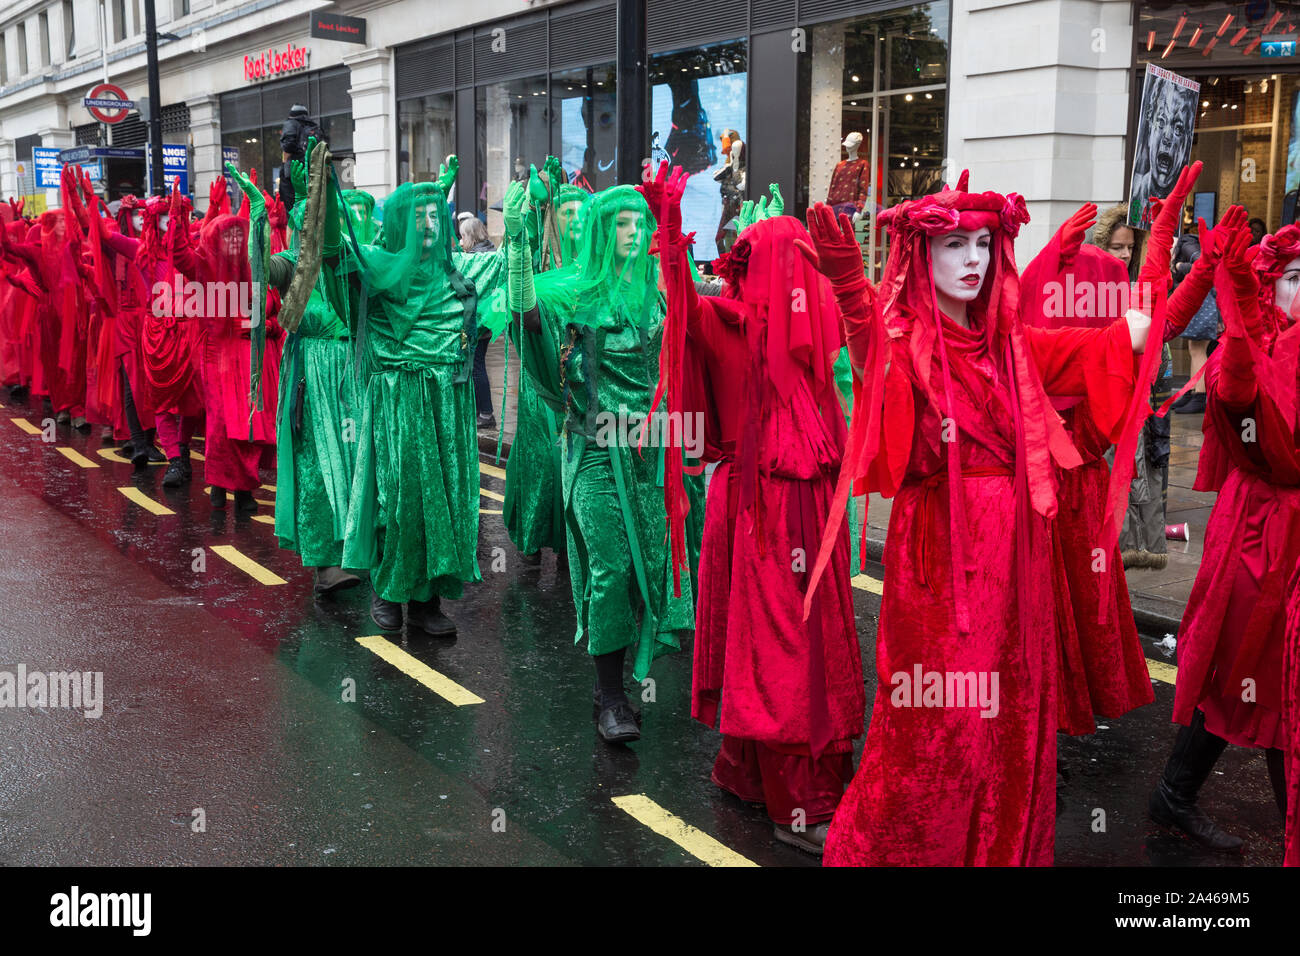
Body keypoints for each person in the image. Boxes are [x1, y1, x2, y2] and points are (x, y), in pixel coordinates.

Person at [803, 167, 1181, 866]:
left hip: (1017, 571)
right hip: (942, 576)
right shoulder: (903, 341)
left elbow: (1104, 353)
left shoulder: (1014, 343)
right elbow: (882, 394)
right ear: (921, 254)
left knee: (1011, 727)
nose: (972, 260)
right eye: (953, 246)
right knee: (940, 732)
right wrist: (854, 301)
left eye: (982, 243)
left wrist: (1153, 274)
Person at [645, 162, 863, 854]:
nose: (806, 281)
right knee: (784, 646)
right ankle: (795, 801)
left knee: (800, 640)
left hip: (803, 506)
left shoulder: (811, 341)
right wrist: (671, 235)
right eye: (794, 262)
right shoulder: (726, 320)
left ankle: (742, 771)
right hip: (757, 509)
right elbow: (682, 312)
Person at [505, 177, 701, 744]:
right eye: (622, 222)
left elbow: (702, 325)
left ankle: (620, 678)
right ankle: (610, 697)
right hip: (592, 452)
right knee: (610, 566)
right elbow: (529, 319)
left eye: (640, 222)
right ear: (599, 230)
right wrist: (518, 246)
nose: (634, 232)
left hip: (652, 458)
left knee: (652, 572)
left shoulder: (658, 293)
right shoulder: (573, 293)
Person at [1150, 218, 1300, 854]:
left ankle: (1174, 794)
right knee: (1250, 669)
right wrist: (1236, 305)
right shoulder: (1253, 351)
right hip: (1260, 534)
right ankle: (1177, 795)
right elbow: (1242, 399)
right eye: (1295, 278)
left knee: (1272, 676)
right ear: (1269, 288)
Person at [279, 104, 324, 211]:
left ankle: (295, 227)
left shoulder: (291, 123)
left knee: (293, 208)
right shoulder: (315, 127)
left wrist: (285, 160)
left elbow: (288, 145)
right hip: (311, 172)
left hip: (294, 171)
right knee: (309, 206)